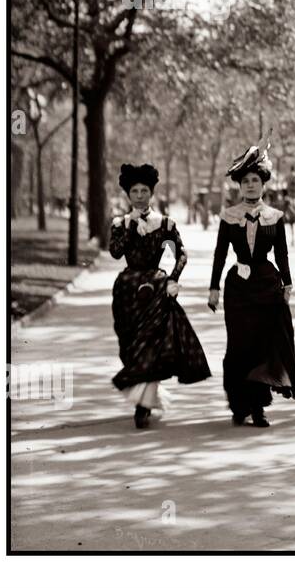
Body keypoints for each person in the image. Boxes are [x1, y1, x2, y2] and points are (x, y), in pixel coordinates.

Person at [109, 163, 211, 429]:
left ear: (152, 193)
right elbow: (116, 252)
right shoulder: (120, 223)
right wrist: (132, 228)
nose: (140, 195)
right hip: (127, 290)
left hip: (155, 288)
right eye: (135, 191)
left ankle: (142, 406)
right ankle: (146, 393)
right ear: (128, 194)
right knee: (129, 345)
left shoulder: (165, 223)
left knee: (151, 343)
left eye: (145, 190)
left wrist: (173, 279)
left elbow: (182, 253)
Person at [208, 141, 295, 427]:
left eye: (255, 181)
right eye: (246, 181)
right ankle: (239, 404)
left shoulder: (275, 217)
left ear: (264, 185)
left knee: (262, 346)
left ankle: (259, 407)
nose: (250, 185)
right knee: (238, 347)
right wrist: (214, 288)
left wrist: (287, 283)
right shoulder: (229, 216)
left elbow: (282, 253)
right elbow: (221, 253)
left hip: (266, 286)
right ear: (239, 185)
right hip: (238, 288)